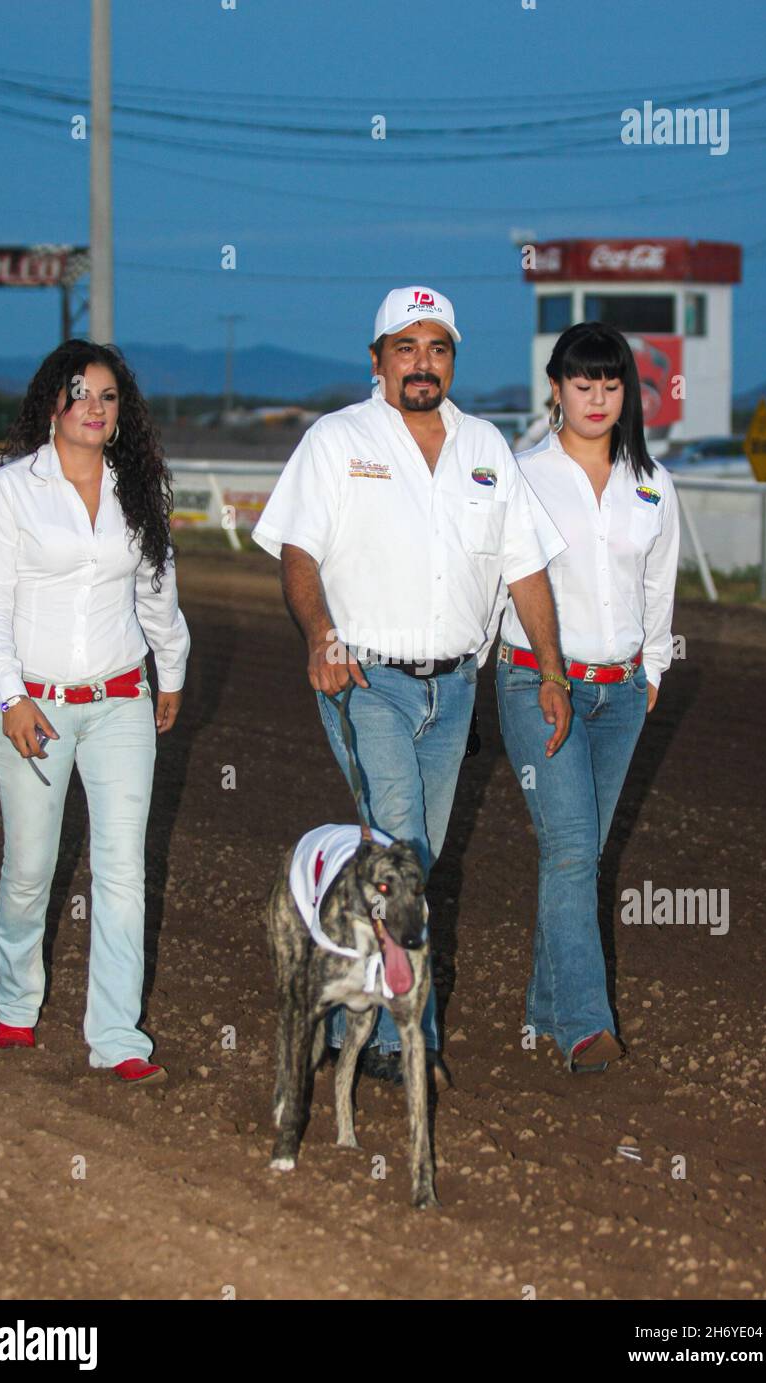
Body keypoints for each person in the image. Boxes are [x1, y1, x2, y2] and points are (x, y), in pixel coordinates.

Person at [254, 286, 571, 1084]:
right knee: (402, 853)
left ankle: (333, 994)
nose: (421, 362)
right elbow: (299, 552)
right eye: (405, 346)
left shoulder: (487, 447)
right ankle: (402, 1044)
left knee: (402, 858)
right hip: (365, 678)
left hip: (456, 689)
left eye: (436, 347)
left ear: (452, 359)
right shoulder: (337, 440)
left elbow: (523, 566)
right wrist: (320, 636)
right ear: (377, 359)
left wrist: (554, 671)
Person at [0, 340, 189, 1083]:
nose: (94, 408)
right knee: (31, 869)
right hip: (36, 708)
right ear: (51, 404)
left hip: (120, 701)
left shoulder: (138, 489)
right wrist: (10, 695)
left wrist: (171, 674)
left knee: (122, 870)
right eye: (80, 394)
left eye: (107, 397)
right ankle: (15, 999)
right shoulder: (12, 490)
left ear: (120, 412)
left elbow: (156, 589)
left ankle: (118, 1037)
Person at [495, 322, 680, 1073]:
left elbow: (658, 584)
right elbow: (495, 577)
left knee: (580, 851)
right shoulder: (520, 475)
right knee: (572, 850)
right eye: (582, 382)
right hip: (537, 684)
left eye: (610, 383)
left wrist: (656, 670)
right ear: (555, 388)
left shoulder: (652, 483)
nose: (596, 397)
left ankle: (543, 1007)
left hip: (624, 694)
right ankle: (582, 1028)